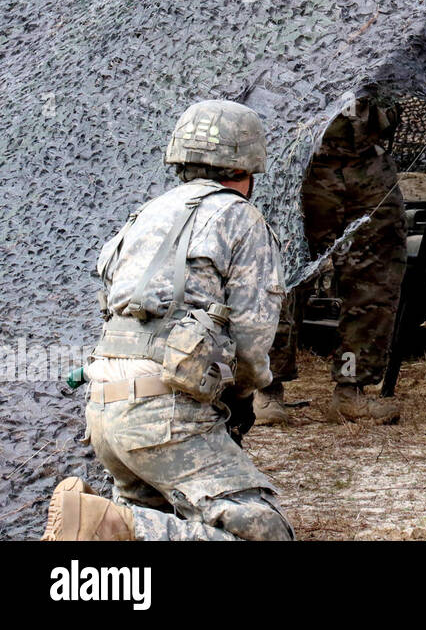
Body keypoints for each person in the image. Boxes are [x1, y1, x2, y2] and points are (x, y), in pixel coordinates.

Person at [42, 99, 293, 541]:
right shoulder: (240, 218)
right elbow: (252, 344)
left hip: (104, 409)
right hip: (164, 413)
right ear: (249, 165)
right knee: (263, 532)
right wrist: (239, 394)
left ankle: (113, 521)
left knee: (170, 521)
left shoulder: (146, 215)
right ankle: (113, 526)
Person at [254, 91, 403, 425]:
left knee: (373, 279)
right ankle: (267, 388)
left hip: (368, 167)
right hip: (301, 164)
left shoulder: (377, 50)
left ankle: (351, 389)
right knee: (286, 275)